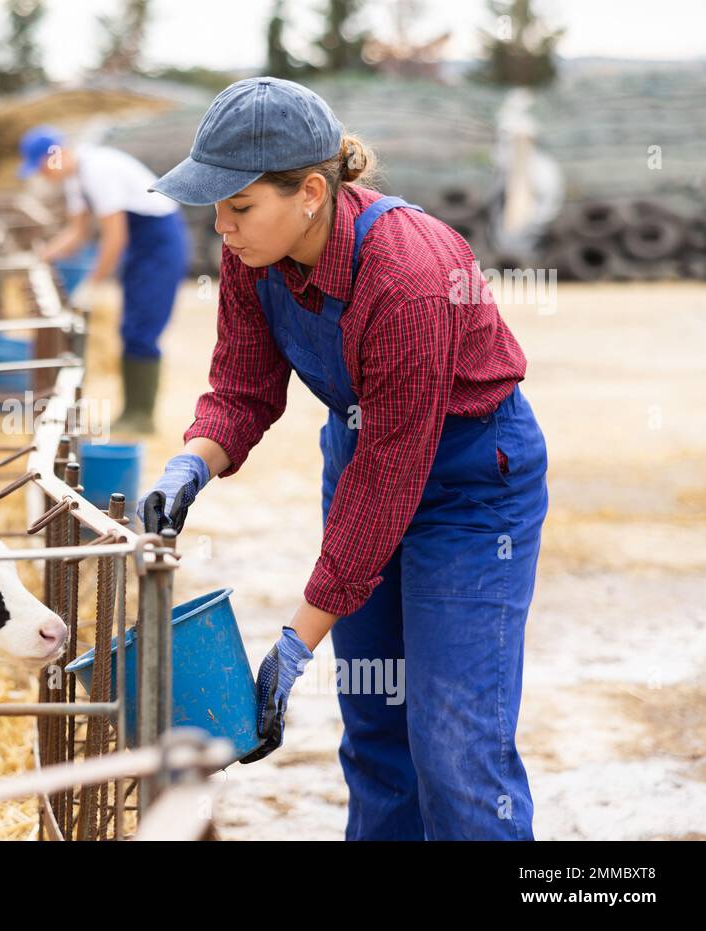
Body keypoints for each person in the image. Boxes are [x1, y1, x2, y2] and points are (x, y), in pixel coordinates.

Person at [140, 78, 549, 841]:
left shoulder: (409, 276)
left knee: (455, 746)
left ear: (311, 192)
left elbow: (393, 473)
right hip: (365, 451)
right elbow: (242, 386)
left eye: (239, 206)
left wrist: (295, 643)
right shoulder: (253, 253)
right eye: (215, 209)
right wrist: (190, 463)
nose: (220, 228)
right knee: (376, 728)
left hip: (468, 487)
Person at [18, 126, 190, 434]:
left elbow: (115, 236)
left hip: (159, 243)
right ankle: (132, 412)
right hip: (141, 246)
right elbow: (78, 233)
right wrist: (43, 256)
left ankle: (141, 417)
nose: (42, 176)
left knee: (142, 326)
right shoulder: (77, 180)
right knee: (130, 324)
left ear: (55, 156)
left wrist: (93, 283)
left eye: (41, 167)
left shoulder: (98, 169)